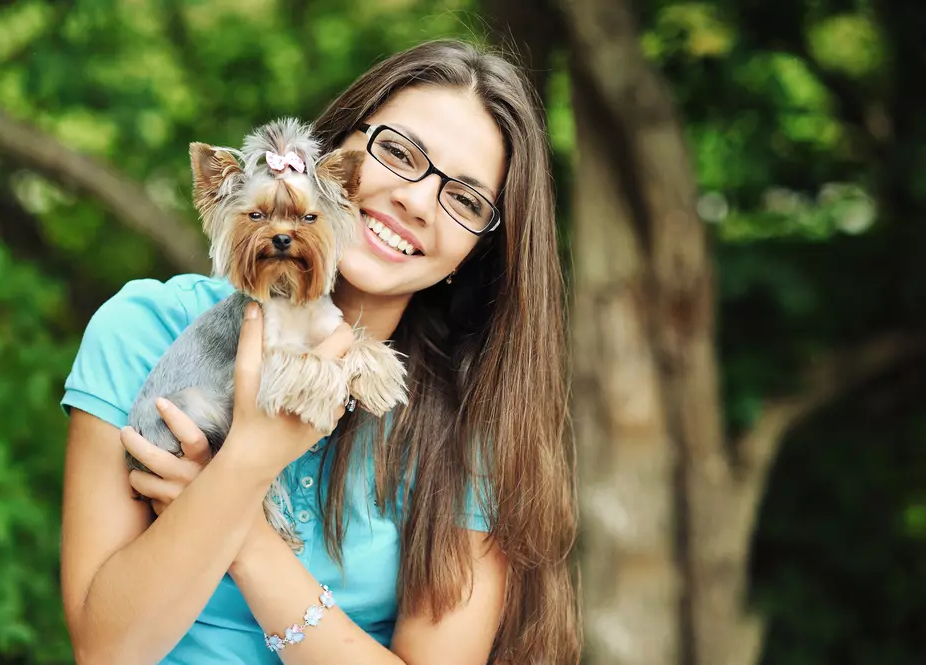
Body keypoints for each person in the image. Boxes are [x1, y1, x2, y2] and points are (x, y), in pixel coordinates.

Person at [59, 39, 578, 665]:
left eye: (466, 200)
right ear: (336, 150)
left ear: (478, 252)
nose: (416, 201)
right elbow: (105, 650)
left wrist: (245, 532)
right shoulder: (146, 330)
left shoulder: (474, 424)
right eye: (399, 152)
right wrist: (251, 457)